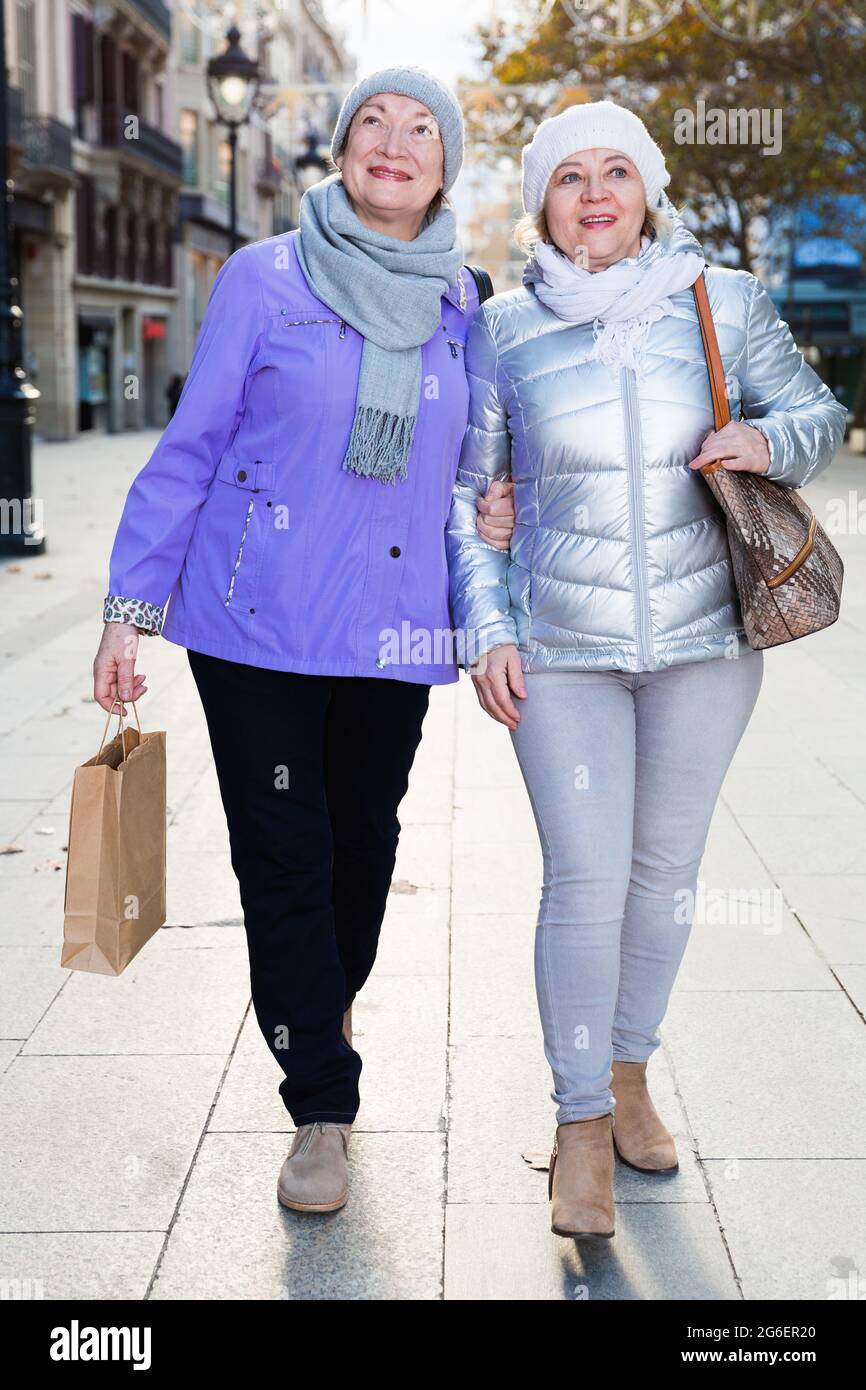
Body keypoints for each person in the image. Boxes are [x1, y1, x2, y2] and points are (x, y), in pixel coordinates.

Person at [93, 67, 515, 1216]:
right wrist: (127, 612)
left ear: (443, 165)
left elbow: (477, 462)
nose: (393, 141)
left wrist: (495, 509)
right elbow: (190, 446)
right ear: (337, 150)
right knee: (285, 859)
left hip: (391, 630)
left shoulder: (463, 306)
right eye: (371, 122)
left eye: (420, 129)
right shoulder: (260, 278)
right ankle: (320, 1103)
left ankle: (315, 1003)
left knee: (362, 851)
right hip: (259, 625)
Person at [445, 99, 846, 1240]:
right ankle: (578, 1124)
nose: (594, 194)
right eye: (567, 177)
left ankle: (627, 1078)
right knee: (582, 878)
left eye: (615, 170)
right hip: (560, 649)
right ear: (539, 203)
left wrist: (770, 441)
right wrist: (488, 627)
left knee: (664, 871)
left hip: (705, 642)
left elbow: (817, 408)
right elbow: (466, 504)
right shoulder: (505, 330)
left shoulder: (721, 301)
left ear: (646, 190)